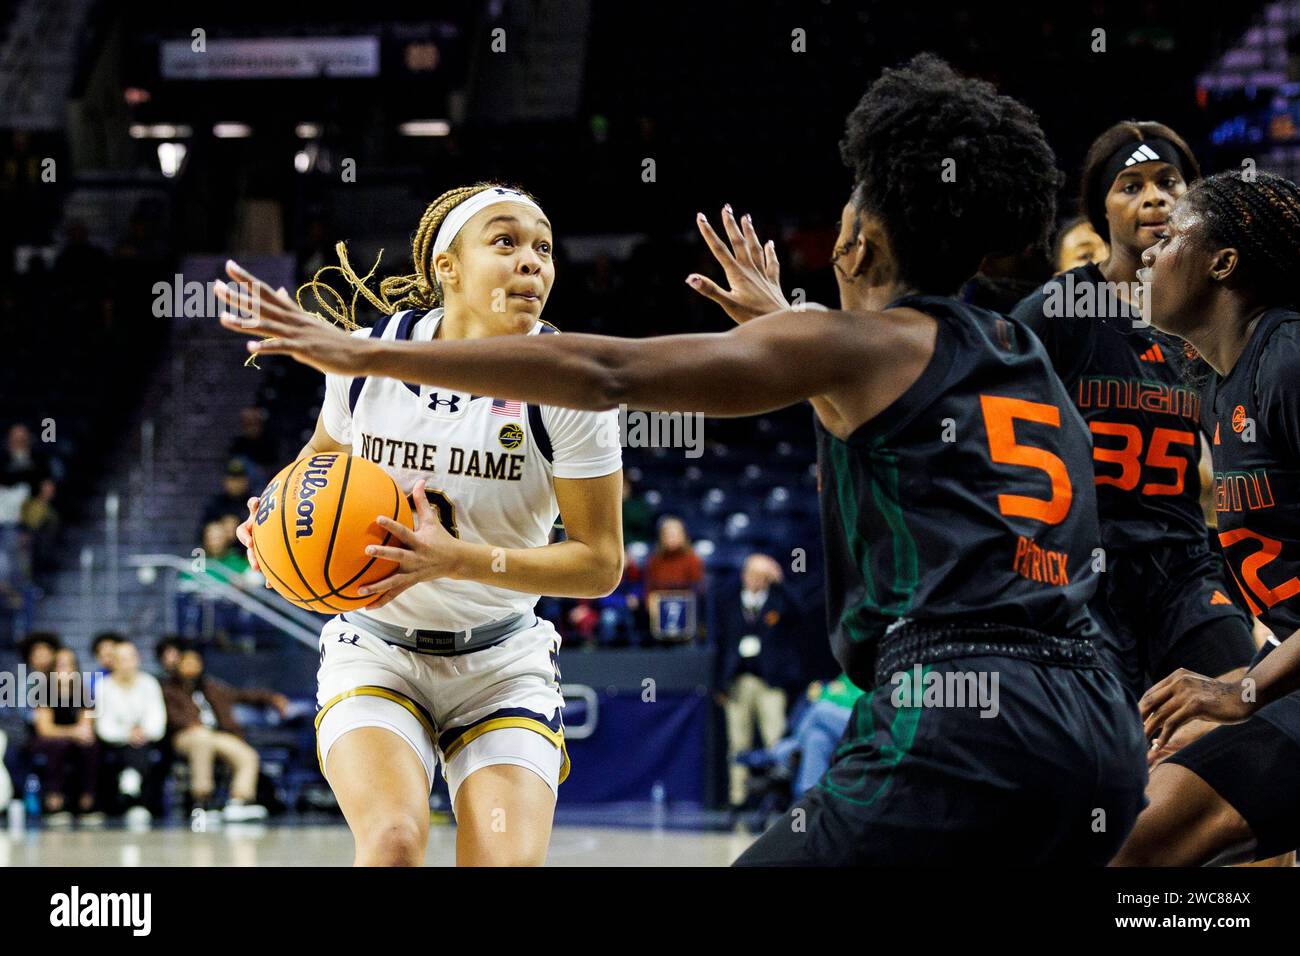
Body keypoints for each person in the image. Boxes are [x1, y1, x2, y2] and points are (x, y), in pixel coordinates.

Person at [218, 54, 1147, 865]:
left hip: (958, 712)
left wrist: (361, 350)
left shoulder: (863, 344)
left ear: (857, 243)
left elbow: (606, 369)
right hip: (1094, 711)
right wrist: (790, 325)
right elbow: (872, 387)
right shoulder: (1014, 351)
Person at [220, 182, 625, 866]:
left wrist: (457, 559)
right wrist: (273, 519)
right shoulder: (363, 359)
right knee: (394, 844)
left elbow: (600, 563)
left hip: (501, 663)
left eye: (544, 248)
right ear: (448, 266)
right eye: (506, 241)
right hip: (379, 651)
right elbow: (320, 466)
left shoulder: (571, 389)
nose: (532, 262)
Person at [1010, 122, 1256, 710]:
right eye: (1131, 185)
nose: (1154, 197)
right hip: (1086, 571)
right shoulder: (1061, 307)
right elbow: (976, 392)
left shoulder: (1216, 316)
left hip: (1186, 563)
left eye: (1169, 182)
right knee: (1115, 750)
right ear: (1101, 211)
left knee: (1252, 705)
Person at [1110, 171, 1300, 866]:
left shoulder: (1290, 359)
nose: (1151, 251)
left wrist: (1241, 689)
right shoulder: (1221, 384)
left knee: (1133, 842)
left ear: (1224, 263)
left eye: (1172, 236)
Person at [715, 553, 805, 810]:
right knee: (737, 740)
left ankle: (778, 797)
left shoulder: (778, 599)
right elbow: (720, 643)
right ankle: (738, 797)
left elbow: (800, 613)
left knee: (775, 739)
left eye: (762, 575)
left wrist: (780, 582)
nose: (756, 579)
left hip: (770, 681)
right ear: (744, 575)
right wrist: (719, 684)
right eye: (752, 574)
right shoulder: (730, 601)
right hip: (738, 680)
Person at [162, 647, 287, 821]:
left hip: (215, 734)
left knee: (245, 753)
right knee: (201, 738)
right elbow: (170, 716)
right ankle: (202, 800)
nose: (192, 666)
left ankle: (239, 801)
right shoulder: (168, 690)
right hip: (186, 736)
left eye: (195, 661)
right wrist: (191, 724)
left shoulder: (211, 687)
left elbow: (242, 695)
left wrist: (271, 698)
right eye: (187, 662)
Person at [94, 641, 166, 823]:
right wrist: (127, 734)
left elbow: (157, 720)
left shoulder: (150, 684)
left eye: (130, 658)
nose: (126, 664)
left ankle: (131, 791)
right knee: (129, 750)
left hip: (146, 740)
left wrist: (143, 732)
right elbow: (104, 726)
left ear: (138, 660)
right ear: (113, 662)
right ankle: (137, 802)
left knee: (141, 750)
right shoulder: (103, 686)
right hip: (115, 743)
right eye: (121, 659)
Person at [31, 648, 101, 825]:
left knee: (90, 745)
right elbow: (45, 729)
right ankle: (54, 801)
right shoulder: (43, 692)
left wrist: (79, 733)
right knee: (59, 744)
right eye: (60, 665)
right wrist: (72, 732)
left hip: (75, 741)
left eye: (68, 665)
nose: (64, 669)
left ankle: (88, 800)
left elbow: (86, 725)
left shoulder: (84, 692)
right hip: (49, 742)